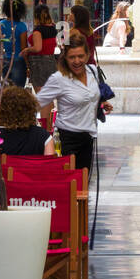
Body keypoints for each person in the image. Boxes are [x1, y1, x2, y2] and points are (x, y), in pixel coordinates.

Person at [35, 31, 111, 173]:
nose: (77, 61)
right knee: (72, 186)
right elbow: (36, 102)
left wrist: (100, 103)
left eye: (80, 56)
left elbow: (89, 94)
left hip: (89, 137)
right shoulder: (59, 79)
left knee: (83, 185)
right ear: (65, 57)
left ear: (88, 55)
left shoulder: (93, 71)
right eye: (72, 57)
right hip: (69, 139)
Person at [0, 85, 54, 157]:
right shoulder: (44, 136)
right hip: (35, 168)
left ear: (2, 110)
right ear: (31, 108)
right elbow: (51, 165)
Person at [27, 3, 59, 91]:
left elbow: (37, 48)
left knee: (41, 95)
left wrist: (26, 50)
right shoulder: (52, 28)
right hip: (51, 62)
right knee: (48, 94)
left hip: (39, 64)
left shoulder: (38, 30)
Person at [0, 0, 29, 88]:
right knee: (18, 90)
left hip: (4, 59)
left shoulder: (0, 25)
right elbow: (23, 48)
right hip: (18, 60)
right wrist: (28, 65)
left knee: (6, 89)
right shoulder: (22, 26)